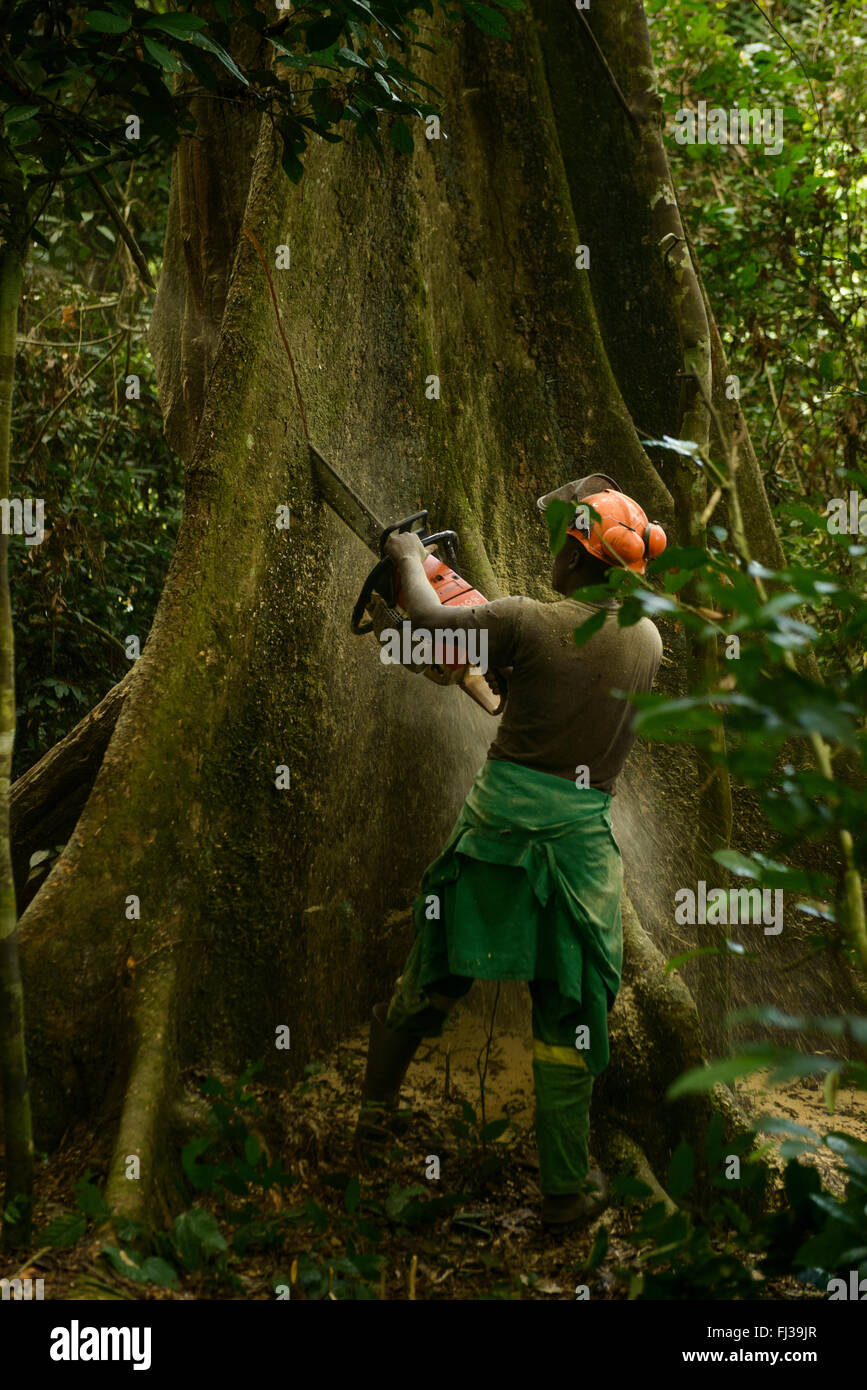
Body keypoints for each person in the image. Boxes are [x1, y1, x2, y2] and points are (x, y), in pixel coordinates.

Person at [356, 473, 665, 1226]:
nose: (550, 553)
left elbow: (428, 623)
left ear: (581, 559)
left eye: (562, 542)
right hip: (583, 844)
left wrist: (403, 555)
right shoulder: (646, 640)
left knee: (431, 972)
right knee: (568, 1010)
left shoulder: (529, 621)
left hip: (499, 832)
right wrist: (475, 673)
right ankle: (563, 1189)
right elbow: (511, 700)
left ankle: (368, 1131)